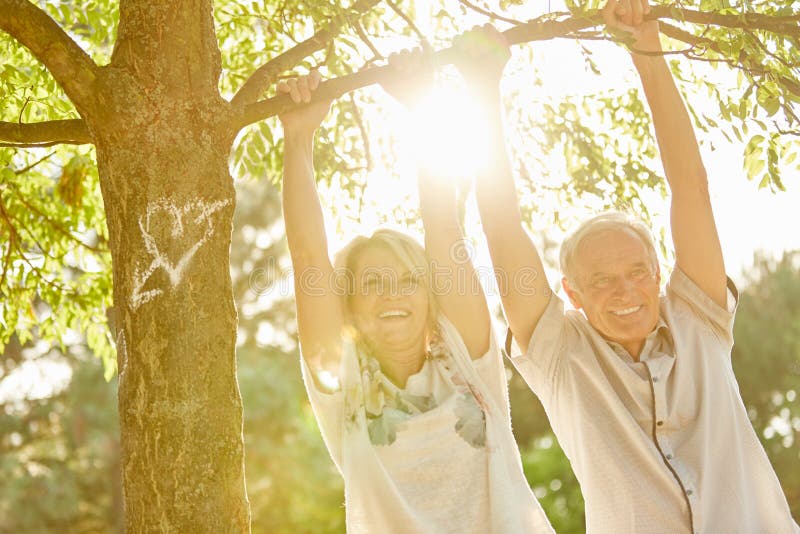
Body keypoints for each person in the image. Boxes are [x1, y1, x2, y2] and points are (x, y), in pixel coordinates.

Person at [464, 0, 800, 532]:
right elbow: (502, 228)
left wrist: (647, 50)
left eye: (637, 272)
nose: (625, 291)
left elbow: (691, 188)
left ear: (658, 272)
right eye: (601, 280)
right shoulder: (561, 354)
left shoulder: (699, 318)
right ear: (572, 293)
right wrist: (483, 91)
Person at [277, 51, 553, 532]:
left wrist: (423, 105)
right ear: (348, 307)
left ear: (430, 298)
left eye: (409, 281)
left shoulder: (465, 362)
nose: (394, 295)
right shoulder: (345, 387)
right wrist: (298, 136)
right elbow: (308, 259)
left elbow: (444, 226)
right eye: (373, 284)